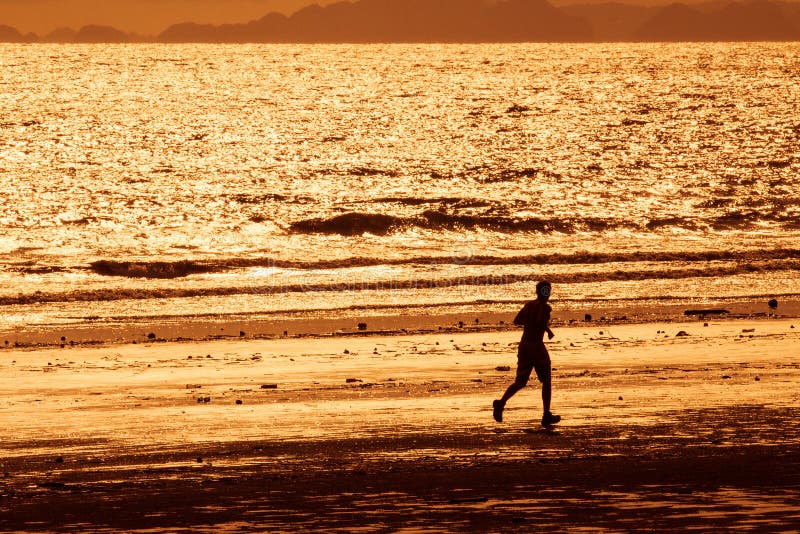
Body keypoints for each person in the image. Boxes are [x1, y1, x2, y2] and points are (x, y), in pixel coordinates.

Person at [493, 280, 561, 428]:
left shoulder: (529, 305)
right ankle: (546, 414)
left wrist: (530, 323)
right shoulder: (545, 307)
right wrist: (548, 330)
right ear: (543, 292)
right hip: (536, 346)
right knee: (547, 381)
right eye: (546, 291)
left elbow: (517, 320)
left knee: (520, 382)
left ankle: (501, 403)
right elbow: (539, 321)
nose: (547, 294)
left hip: (524, 346)